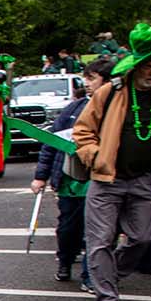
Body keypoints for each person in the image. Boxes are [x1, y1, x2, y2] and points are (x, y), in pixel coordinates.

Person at [72, 22, 151, 301]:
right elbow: (82, 132)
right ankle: (107, 298)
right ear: (136, 65)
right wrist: (96, 157)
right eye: (148, 66)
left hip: (145, 179)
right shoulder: (109, 92)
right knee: (100, 239)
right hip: (107, 179)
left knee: (143, 238)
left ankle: (105, 275)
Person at [32, 60, 109, 285]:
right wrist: (40, 176)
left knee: (98, 231)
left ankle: (91, 276)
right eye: (86, 77)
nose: (87, 83)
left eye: (92, 78)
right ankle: (65, 261)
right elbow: (51, 142)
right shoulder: (74, 108)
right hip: (70, 180)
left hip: (100, 179)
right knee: (68, 228)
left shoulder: (115, 108)